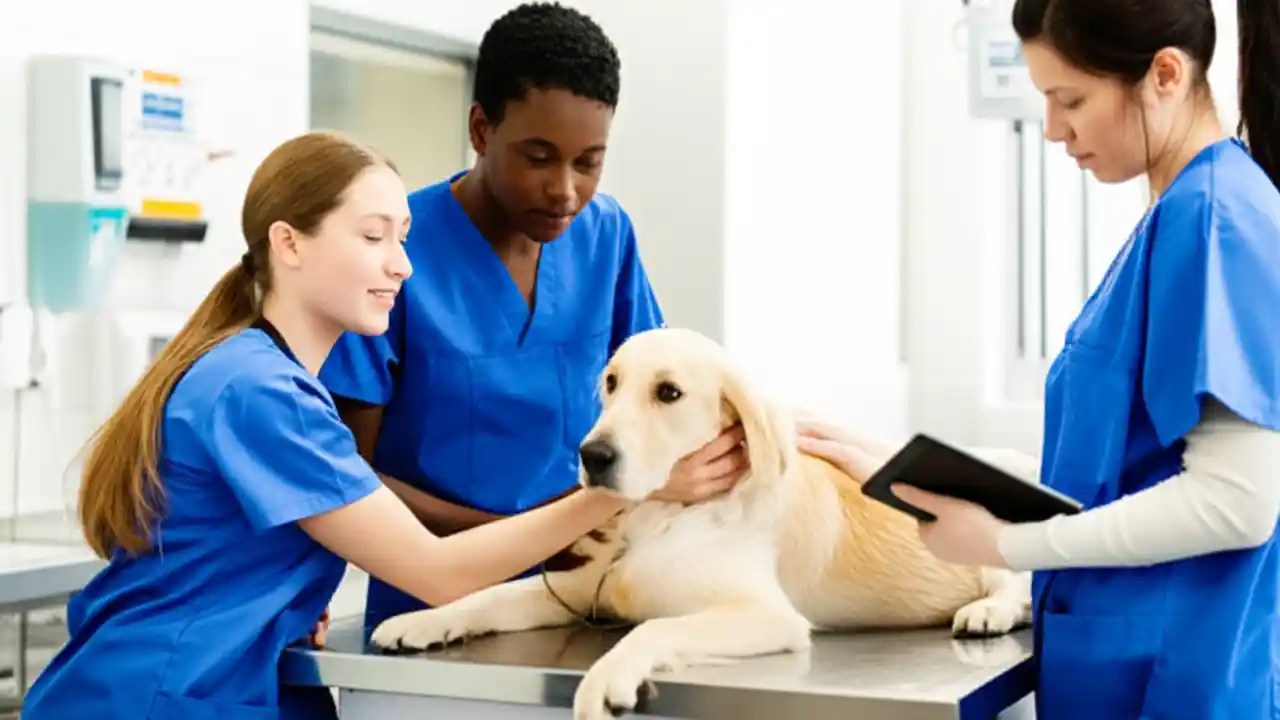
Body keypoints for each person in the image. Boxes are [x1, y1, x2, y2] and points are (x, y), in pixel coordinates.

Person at [18, 131, 636, 720]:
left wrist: (283, 604)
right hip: (158, 694)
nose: (402, 267)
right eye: (373, 237)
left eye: (403, 239)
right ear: (288, 244)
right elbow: (438, 571)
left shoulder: (269, 377)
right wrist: (622, 488)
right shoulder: (259, 391)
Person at [799, 1, 1280, 718]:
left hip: (1179, 683)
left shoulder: (1213, 219)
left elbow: (1240, 503)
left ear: (1165, 76)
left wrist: (1010, 544)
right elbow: (1124, 468)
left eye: (1071, 100)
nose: (1053, 130)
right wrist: (916, 474)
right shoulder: (1181, 212)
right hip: (1135, 667)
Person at [317, 1, 747, 637]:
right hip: (435, 608)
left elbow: (659, 403)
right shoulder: (394, 252)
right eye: (539, 157)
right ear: (482, 130)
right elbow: (350, 481)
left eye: (589, 161)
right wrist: (528, 540)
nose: (565, 191)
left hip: (595, 592)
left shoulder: (607, 236)